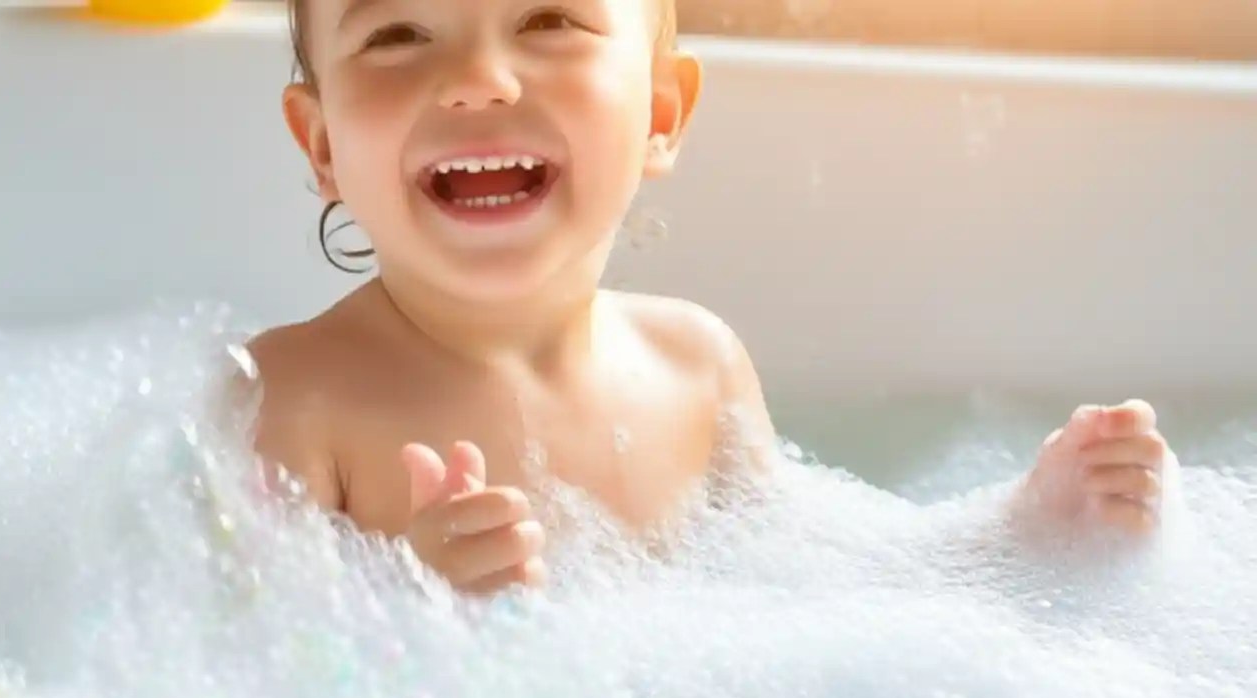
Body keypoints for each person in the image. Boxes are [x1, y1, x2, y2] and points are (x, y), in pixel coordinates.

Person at [245, 0, 1172, 595]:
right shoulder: (290, 403)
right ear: (321, 146)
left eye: (547, 21)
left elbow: (822, 594)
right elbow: (228, 674)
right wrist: (410, 612)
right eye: (397, 34)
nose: (478, 80)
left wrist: (1022, 536)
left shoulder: (696, 365)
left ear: (659, 113)